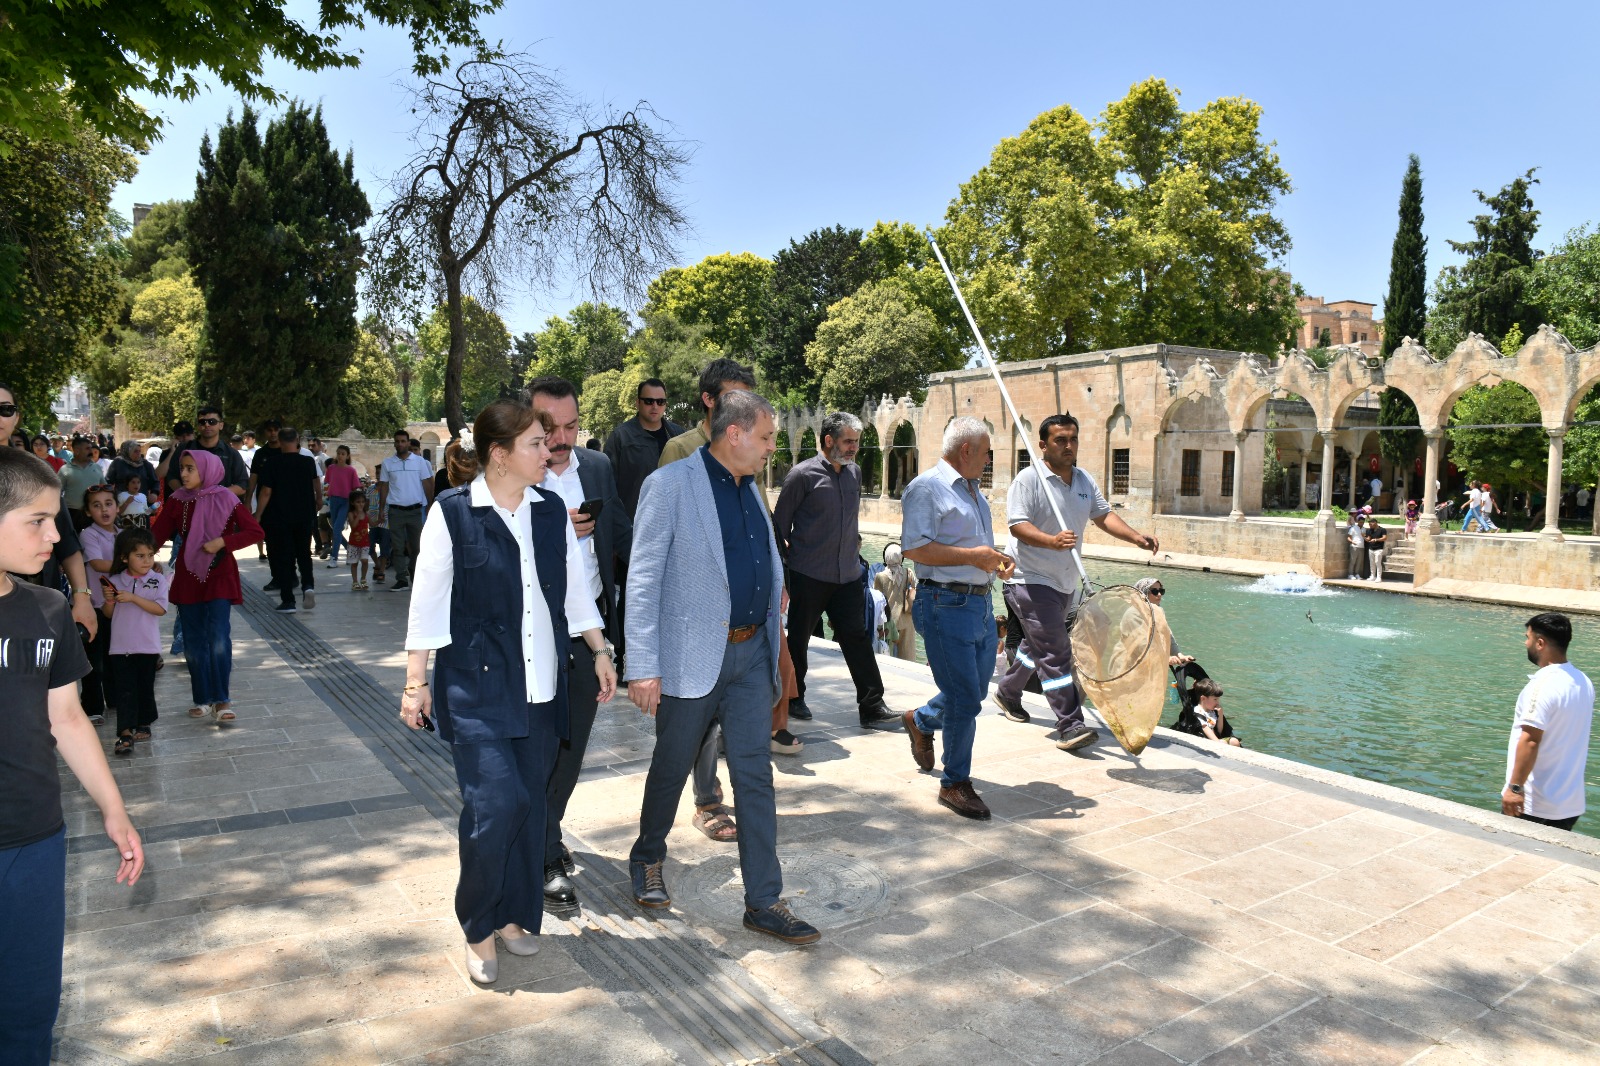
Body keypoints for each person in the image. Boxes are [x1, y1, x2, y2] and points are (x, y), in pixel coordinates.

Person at [401, 398, 615, 985]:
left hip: (542, 686)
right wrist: (415, 682)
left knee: (528, 805)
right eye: (534, 444)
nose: (547, 452)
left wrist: (599, 650)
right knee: (494, 806)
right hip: (476, 687)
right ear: (499, 454)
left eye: (546, 444)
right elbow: (425, 603)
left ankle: (516, 917)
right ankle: (478, 923)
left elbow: (572, 593)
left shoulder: (550, 510)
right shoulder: (452, 513)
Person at [623, 389, 820, 945]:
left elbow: (763, 563)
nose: (769, 448)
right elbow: (642, 579)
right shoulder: (669, 485)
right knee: (672, 763)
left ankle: (763, 900)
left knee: (755, 776)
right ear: (733, 433)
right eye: (764, 437)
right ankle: (647, 857)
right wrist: (643, 665)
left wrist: (775, 637)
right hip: (689, 657)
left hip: (750, 655)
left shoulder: (752, 488)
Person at [0, 447, 144, 1064]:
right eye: (36, 521)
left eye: (56, 519)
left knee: (30, 1006)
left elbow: (66, 718)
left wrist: (114, 809)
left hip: (34, 838)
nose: (54, 536)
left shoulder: (48, 610)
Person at [992, 415, 1161, 752]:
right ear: (1043, 445)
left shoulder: (1083, 480)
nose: (1068, 446)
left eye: (1073, 439)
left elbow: (1102, 516)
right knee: (1056, 650)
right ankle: (1070, 724)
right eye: (1060, 440)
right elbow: (1017, 526)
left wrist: (1135, 537)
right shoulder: (1028, 480)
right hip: (1029, 578)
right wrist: (1051, 541)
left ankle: (1008, 692)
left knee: (1037, 644)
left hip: (1065, 581)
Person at [528, 377, 633, 910]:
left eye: (572, 425)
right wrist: (552, 531)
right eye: (550, 428)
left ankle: (549, 831)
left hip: (587, 628)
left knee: (572, 748)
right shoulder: (514, 475)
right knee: (539, 746)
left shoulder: (597, 467)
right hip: (531, 633)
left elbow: (621, 540)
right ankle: (543, 849)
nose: (563, 438)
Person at [898, 417, 1015, 819]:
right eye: (986, 452)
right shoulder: (925, 489)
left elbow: (973, 548)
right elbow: (914, 549)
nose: (989, 459)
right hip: (944, 604)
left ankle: (922, 719)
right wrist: (974, 558)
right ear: (966, 450)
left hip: (980, 603)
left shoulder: (974, 493)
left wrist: (995, 561)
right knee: (966, 697)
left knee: (974, 693)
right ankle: (955, 784)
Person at [773, 411, 901, 731]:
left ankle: (872, 705)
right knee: (799, 638)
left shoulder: (854, 474)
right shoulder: (801, 475)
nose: (854, 448)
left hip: (846, 575)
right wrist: (785, 570)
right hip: (807, 574)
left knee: (856, 637)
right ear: (828, 441)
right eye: (848, 441)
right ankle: (794, 696)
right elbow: (778, 527)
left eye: (856, 442)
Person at [149, 449, 265, 723]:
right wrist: (141, 558)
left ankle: (222, 699)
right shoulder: (177, 501)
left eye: (191, 468)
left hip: (220, 573)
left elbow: (255, 532)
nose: (184, 474)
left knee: (219, 637)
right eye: (182, 468)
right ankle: (202, 698)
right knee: (193, 640)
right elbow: (157, 534)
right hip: (189, 574)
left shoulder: (227, 498)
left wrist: (222, 542)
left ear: (207, 469)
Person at [1502, 613, 1593, 832]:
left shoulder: (1542, 684)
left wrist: (1514, 789)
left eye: (1528, 637)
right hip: (1569, 804)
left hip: (1534, 805)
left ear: (1540, 643)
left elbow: (1530, 740)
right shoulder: (1583, 681)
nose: (1526, 643)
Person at [103, 529, 169, 755]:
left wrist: (132, 598)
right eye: (140, 556)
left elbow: (160, 609)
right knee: (124, 689)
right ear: (124, 557)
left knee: (144, 686)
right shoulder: (114, 580)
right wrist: (110, 601)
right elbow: (109, 614)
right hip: (120, 646)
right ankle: (124, 732)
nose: (147, 561)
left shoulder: (157, 579)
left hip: (147, 645)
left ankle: (144, 721)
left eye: (150, 555)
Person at [255, 427, 323, 613]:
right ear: (297, 440)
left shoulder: (272, 463)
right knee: (304, 553)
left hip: (279, 516)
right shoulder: (308, 461)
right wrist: (318, 499)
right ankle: (308, 585)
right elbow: (316, 482)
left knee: (284, 557)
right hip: (304, 515)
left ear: (281, 441)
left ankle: (288, 600)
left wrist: (258, 514)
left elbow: (266, 491)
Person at [605, 377, 685, 519]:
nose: (655, 406)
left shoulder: (678, 435)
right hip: (634, 524)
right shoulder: (621, 437)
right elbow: (608, 487)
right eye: (649, 401)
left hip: (673, 521)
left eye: (660, 402)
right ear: (638, 403)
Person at [78, 486, 122, 723]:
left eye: (108, 503)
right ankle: (93, 706)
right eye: (96, 505)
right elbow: (96, 564)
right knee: (94, 660)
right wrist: (130, 563)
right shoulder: (89, 534)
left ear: (117, 506)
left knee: (115, 654)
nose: (104, 509)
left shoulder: (123, 533)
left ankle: (115, 698)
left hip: (120, 606)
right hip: (95, 605)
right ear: (87, 511)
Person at [377, 428, 433, 592]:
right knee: (398, 546)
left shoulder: (420, 462)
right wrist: (381, 509)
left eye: (403, 441)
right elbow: (384, 487)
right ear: (394, 443)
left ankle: (415, 574)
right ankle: (401, 578)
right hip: (396, 511)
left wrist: (430, 505)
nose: (400, 444)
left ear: (408, 443)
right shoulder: (388, 463)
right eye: (397, 441)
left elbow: (428, 483)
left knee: (416, 547)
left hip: (415, 511)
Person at [158, 406, 249, 501]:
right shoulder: (184, 449)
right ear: (198, 426)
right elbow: (171, 476)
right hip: (188, 505)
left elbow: (242, 485)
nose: (207, 425)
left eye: (212, 421)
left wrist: (215, 494)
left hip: (220, 508)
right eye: (202, 422)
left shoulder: (231, 453)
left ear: (221, 425)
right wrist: (186, 494)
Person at [872, 542, 916, 661]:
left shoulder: (880, 576)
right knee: (906, 655)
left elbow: (877, 599)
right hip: (906, 618)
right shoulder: (908, 572)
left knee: (886, 653)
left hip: (888, 619)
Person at [324, 445, 361, 569]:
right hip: (333, 501)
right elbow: (327, 483)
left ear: (347, 456)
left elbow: (356, 487)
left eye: (343, 454)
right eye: (338, 453)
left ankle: (334, 558)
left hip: (346, 502)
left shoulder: (351, 470)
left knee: (337, 528)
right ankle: (350, 550)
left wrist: (356, 505)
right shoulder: (331, 468)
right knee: (336, 530)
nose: (340, 456)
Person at [58, 434, 103, 529]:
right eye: (87, 449)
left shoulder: (97, 468)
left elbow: (105, 488)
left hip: (94, 512)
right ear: (77, 451)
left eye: (91, 448)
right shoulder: (65, 470)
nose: (91, 451)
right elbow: (57, 492)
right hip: (73, 514)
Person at [1188, 678, 1240, 746]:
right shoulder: (1198, 712)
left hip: (1216, 738)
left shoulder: (1212, 712)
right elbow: (1205, 728)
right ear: (1203, 698)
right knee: (1224, 743)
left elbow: (1219, 731)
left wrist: (1220, 714)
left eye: (1218, 699)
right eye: (1215, 699)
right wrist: (1217, 742)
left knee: (1234, 741)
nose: (1217, 702)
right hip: (1206, 740)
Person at [345, 490, 373, 590]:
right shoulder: (351, 514)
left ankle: (363, 579)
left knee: (365, 561)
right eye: (358, 502)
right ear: (352, 503)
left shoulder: (366, 514)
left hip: (365, 542)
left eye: (362, 502)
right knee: (354, 563)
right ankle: (355, 581)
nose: (361, 504)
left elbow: (372, 524)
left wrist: (380, 520)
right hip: (354, 543)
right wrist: (359, 514)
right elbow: (353, 526)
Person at [1364, 516, 1387, 582]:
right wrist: (1365, 538)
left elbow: (1384, 538)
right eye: (1369, 524)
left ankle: (1379, 577)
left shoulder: (1382, 530)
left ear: (1375, 523)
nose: (1370, 526)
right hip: (1371, 548)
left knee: (1377, 562)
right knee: (1372, 563)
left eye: (1371, 524)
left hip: (1379, 549)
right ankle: (1372, 576)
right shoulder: (1369, 530)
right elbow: (1369, 538)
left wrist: (1376, 540)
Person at [1346, 512, 1366, 579]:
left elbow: (1364, 537)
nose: (1361, 523)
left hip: (1361, 546)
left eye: (1363, 522)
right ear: (1358, 521)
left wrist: (1365, 537)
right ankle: (1350, 574)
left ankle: (1357, 574)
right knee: (1353, 561)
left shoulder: (1364, 529)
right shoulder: (1353, 528)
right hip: (1354, 546)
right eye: (1360, 522)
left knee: (1359, 561)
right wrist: (1352, 542)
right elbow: (1348, 537)